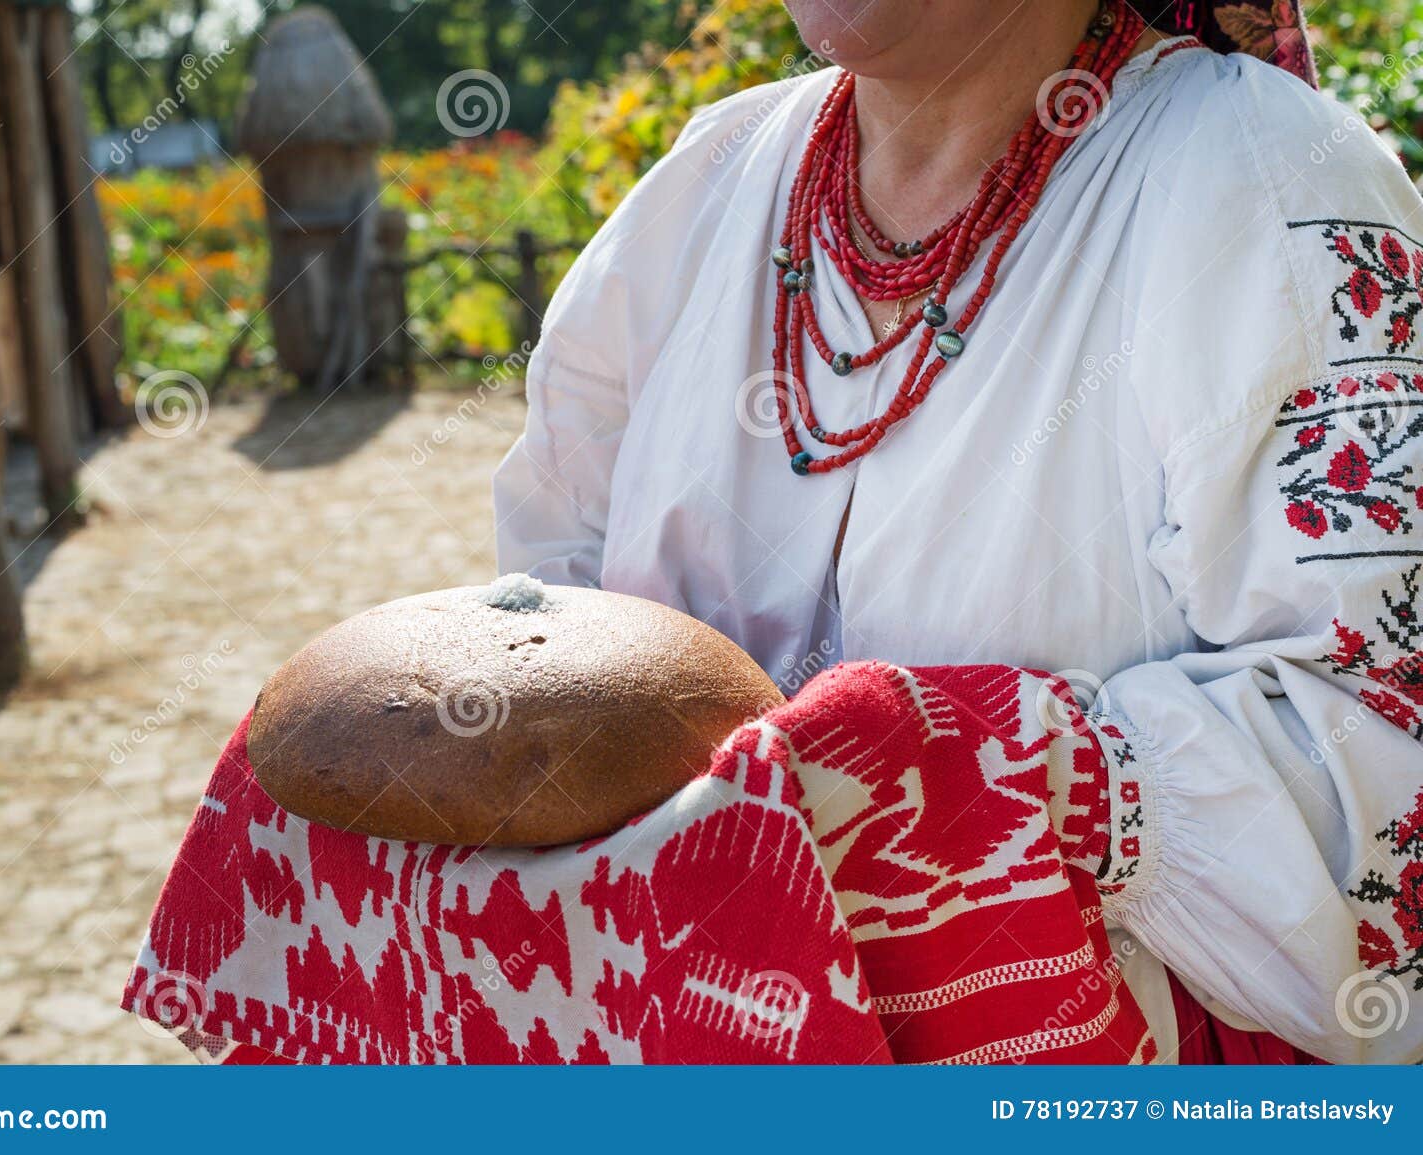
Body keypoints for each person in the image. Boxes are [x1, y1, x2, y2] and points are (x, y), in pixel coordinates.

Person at [493, 0, 1423, 1062]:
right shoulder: (710, 183)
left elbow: (1378, 761)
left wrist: (973, 773)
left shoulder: (1271, 184)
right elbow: (552, 595)